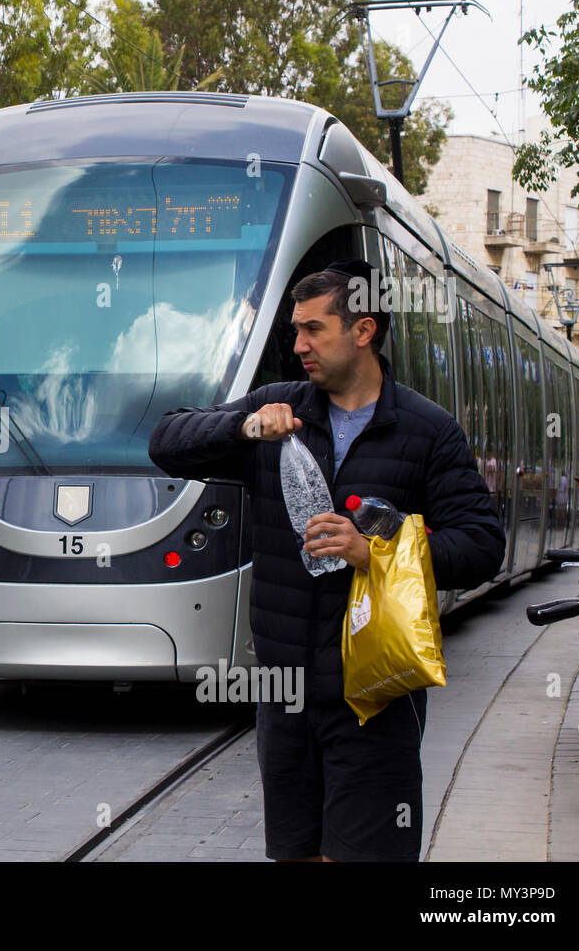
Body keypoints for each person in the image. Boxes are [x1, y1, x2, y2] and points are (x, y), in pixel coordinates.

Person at [148, 259, 505, 862]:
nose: (299, 346)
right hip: (285, 695)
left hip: (375, 697)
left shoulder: (426, 430)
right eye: (296, 330)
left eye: (313, 329)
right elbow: (166, 443)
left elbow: (481, 546)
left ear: (362, 331)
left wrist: (376, 553)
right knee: (295, 853)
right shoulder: (277, 409)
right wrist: (243, 427)